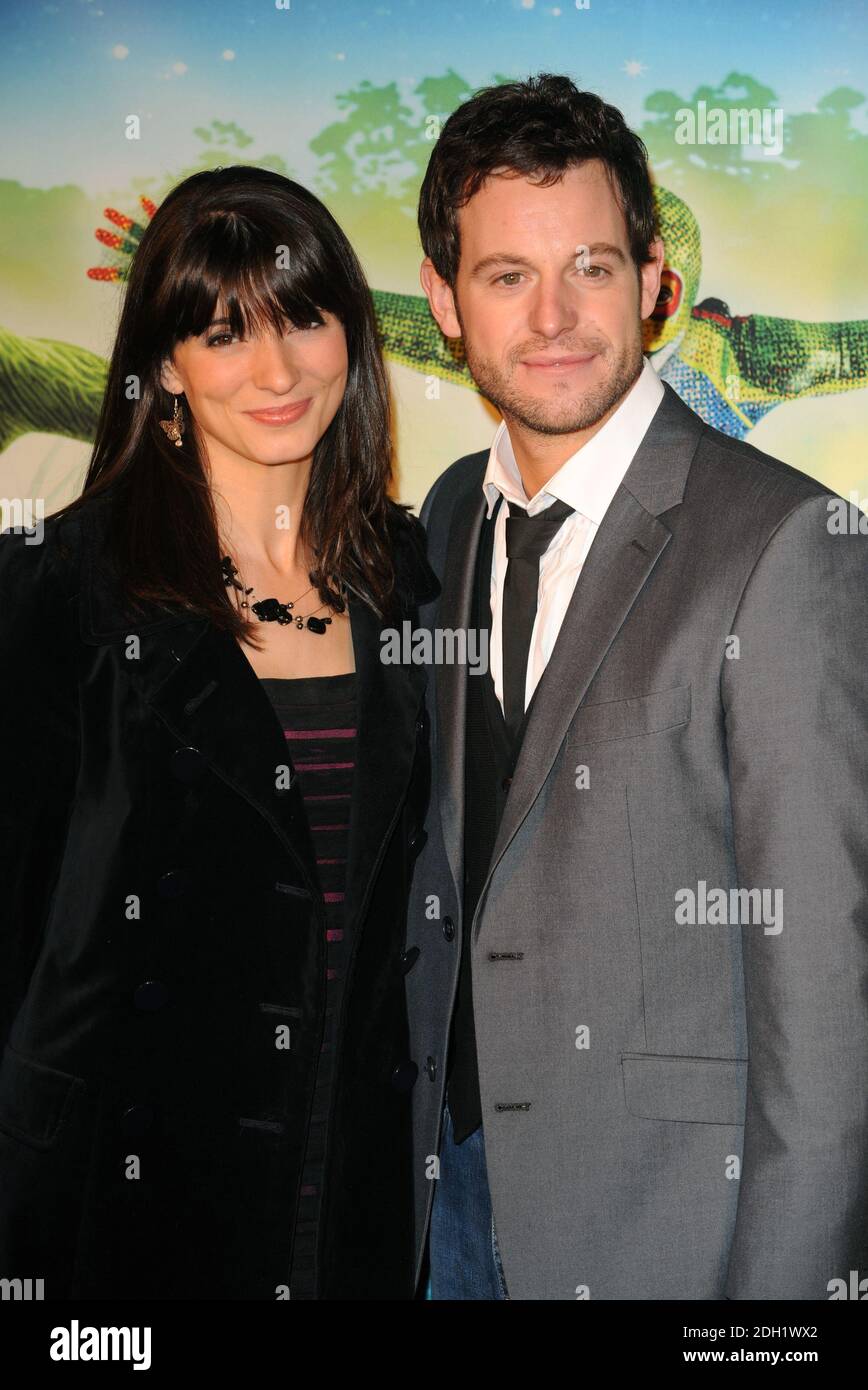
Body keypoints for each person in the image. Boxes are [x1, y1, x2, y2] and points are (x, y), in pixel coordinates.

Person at [404, 73, 868, 1300]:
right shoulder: (446, 519)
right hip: (444, 1214)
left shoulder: (788, 544)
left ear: (654, 281)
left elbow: (825, 1003)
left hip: (665, 1230)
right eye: (508, 275)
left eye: (592, 266)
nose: (554, 315)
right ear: (445, 303)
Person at [0, 165, 438, 1300]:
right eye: (223, 332)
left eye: (302, 316)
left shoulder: (410, 586)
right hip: (121, 1213)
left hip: (351, 1198)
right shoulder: (62, 596)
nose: (278, 369)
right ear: (168, 369)